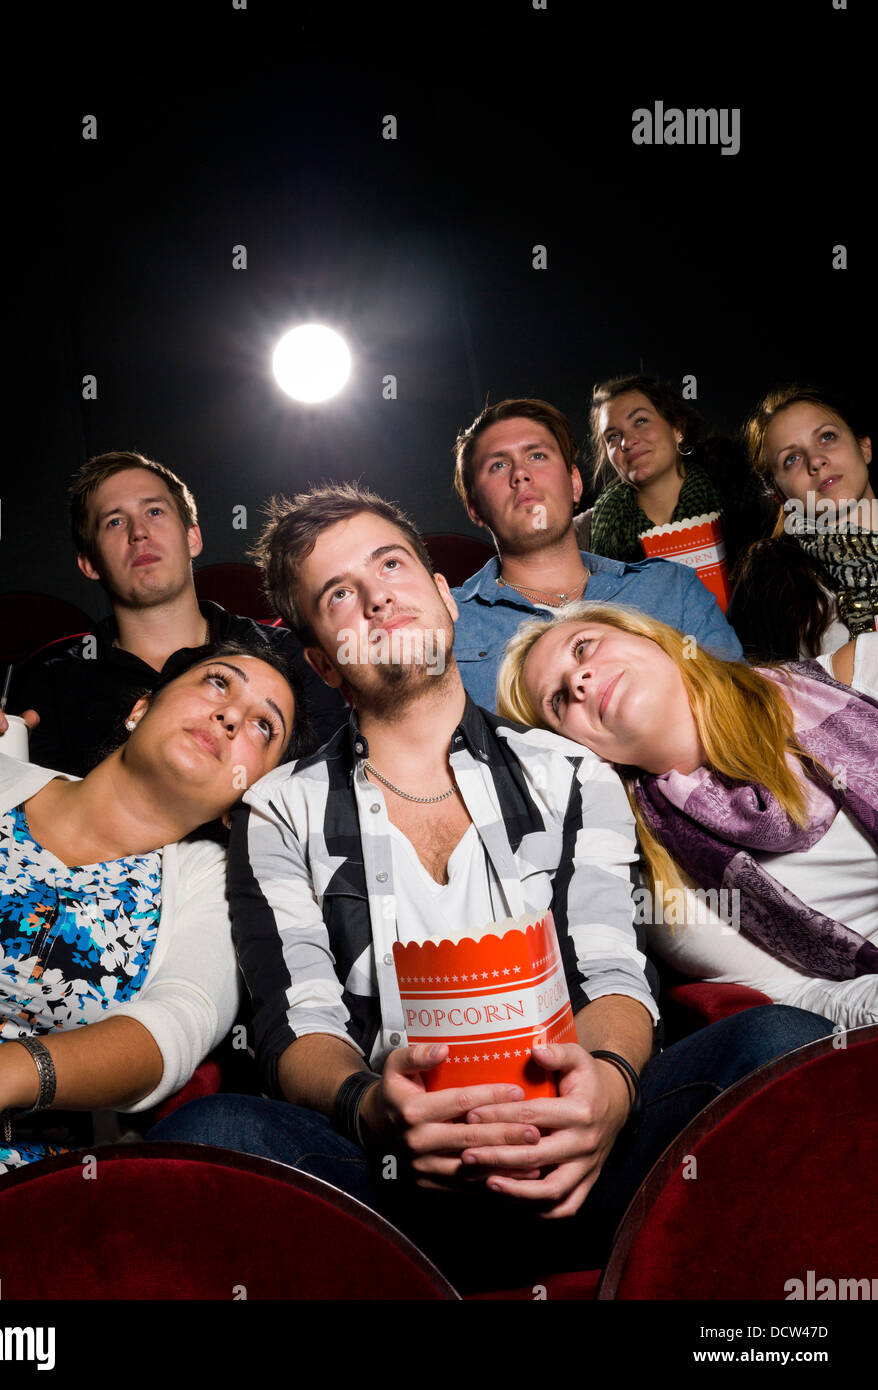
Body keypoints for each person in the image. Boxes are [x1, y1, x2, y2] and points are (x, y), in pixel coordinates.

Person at [148, 483, 832, 1286]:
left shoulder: (568, 769)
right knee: (215, 1129)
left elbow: (613, 970)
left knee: (781, 1042)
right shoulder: (278, 809)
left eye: (392, 565)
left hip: (592, 1151)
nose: (377, 597)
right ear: (323, 661)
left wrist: (608, 1090)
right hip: (395, 1189)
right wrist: (373, 1109)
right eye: (339, 594)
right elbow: (297, 1029)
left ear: (443, 597)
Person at [0, 637, 309, 1234]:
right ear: (140, 709)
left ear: (243, 798)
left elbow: (175, 1027)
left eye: (262, 728)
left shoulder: (218, 886)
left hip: (18, 1179)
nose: (230, 715)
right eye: (218, 683)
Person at [497, 601, 878, 1031]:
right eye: (559, 700)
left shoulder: (858, 673)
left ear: (647, 635)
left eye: (583, 648)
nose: (579, 679)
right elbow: (806, 998)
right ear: (579, 749)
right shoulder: (665, 887)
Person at [0, 450, 347, 773]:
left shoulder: (289, 656)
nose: (139, 533)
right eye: (115, 523)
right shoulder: (47, 684)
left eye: (155, 512)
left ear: (193, 537)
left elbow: (337, 788)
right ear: (90, 564)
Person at [449, 399, 744, 711]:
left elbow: (743, 714)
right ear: (474, 508)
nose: (520, 474)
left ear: (575, 484)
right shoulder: (444, 627)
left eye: (537, 456)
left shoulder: (673, 587)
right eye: (498, 465)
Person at [727, 386, 877, 699]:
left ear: (865, 447)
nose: (816, 461)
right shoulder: (768, 580)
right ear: (779, 493)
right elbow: (758, 703)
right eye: (791, 458)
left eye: (827, 437)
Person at [586, 374, 765, 575]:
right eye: (613, 436)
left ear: (677, 428)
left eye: (640, 421)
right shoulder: (597, 525)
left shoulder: (739, 496)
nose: (626, 442)